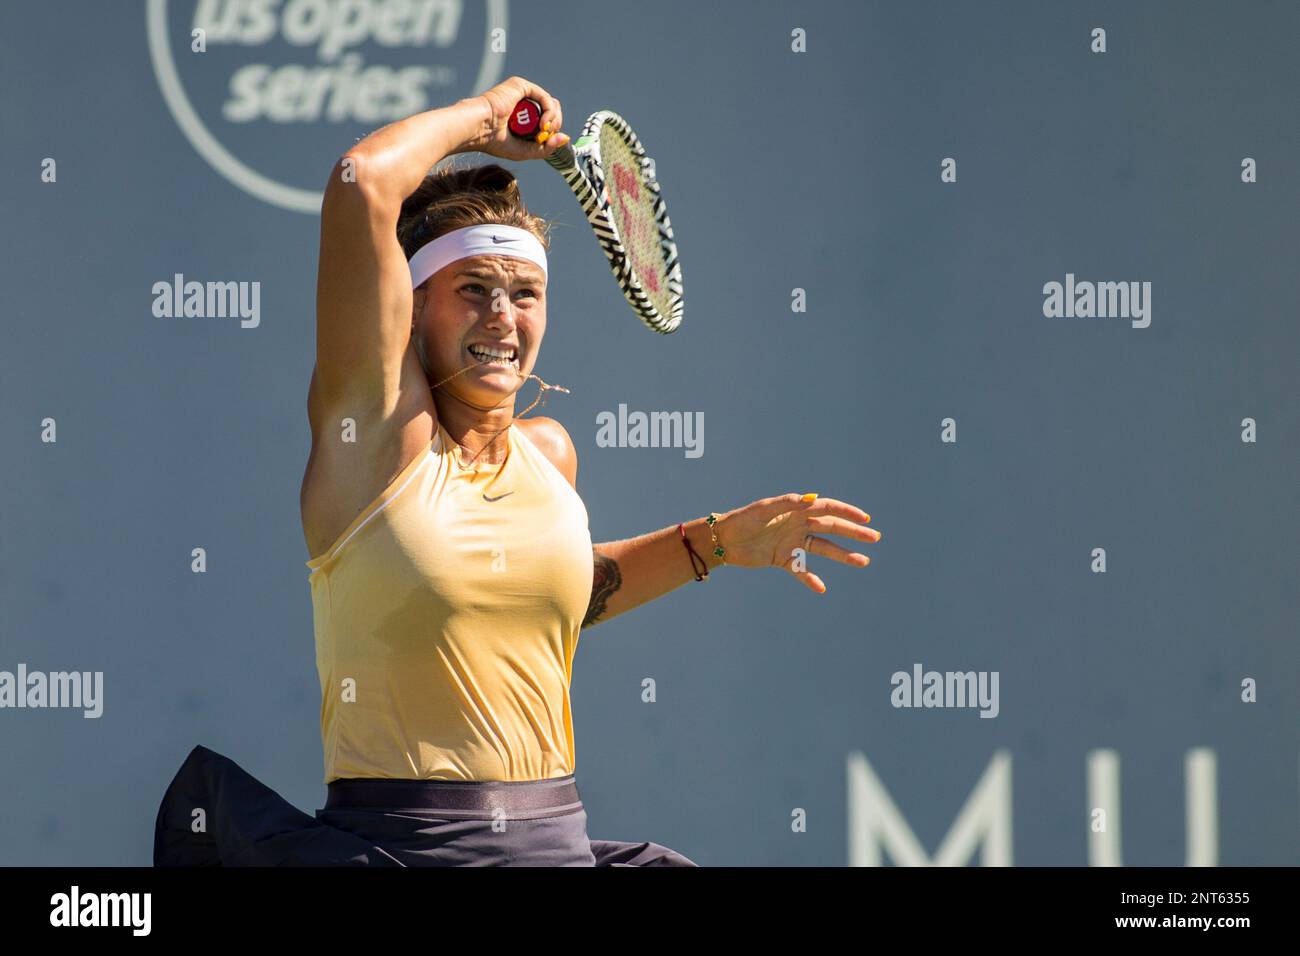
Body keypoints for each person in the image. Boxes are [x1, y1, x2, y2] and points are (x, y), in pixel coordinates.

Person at [154, 76, 881, 867]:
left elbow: (545, 593)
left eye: (525, 293)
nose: (503, 314)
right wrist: (483, 120)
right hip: (406, 851)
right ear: (412, 310)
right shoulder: (372, 438)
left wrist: (712, 544)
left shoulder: (550, 454)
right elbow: (363, 184)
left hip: (556, 848)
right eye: (473, 290)